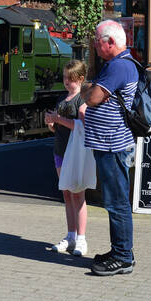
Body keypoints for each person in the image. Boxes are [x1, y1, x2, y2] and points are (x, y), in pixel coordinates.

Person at [77, 19, 139, 276]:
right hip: (110, 144)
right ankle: (120, 251)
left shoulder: (117, 67)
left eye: (97, 41)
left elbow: (91, 98)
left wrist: (85, 88)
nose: (95, 45)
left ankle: (123, 256)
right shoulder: (118, 65)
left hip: (112, 145)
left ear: (111, 42)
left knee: (116, 202)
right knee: (115, 200)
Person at [43, 60, 88, 256]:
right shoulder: (62, 100)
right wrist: (51, 123)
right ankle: (70, 236)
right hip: (60, 151)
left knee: (78, 195)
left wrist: (59, 119)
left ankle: (81, 239)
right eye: (64, 78)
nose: (66, 82)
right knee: (67, 195)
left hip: (76, 153)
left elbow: (82, 125)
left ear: (80, 79)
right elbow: (57, 128)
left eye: (70, 79)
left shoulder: (82, 99)